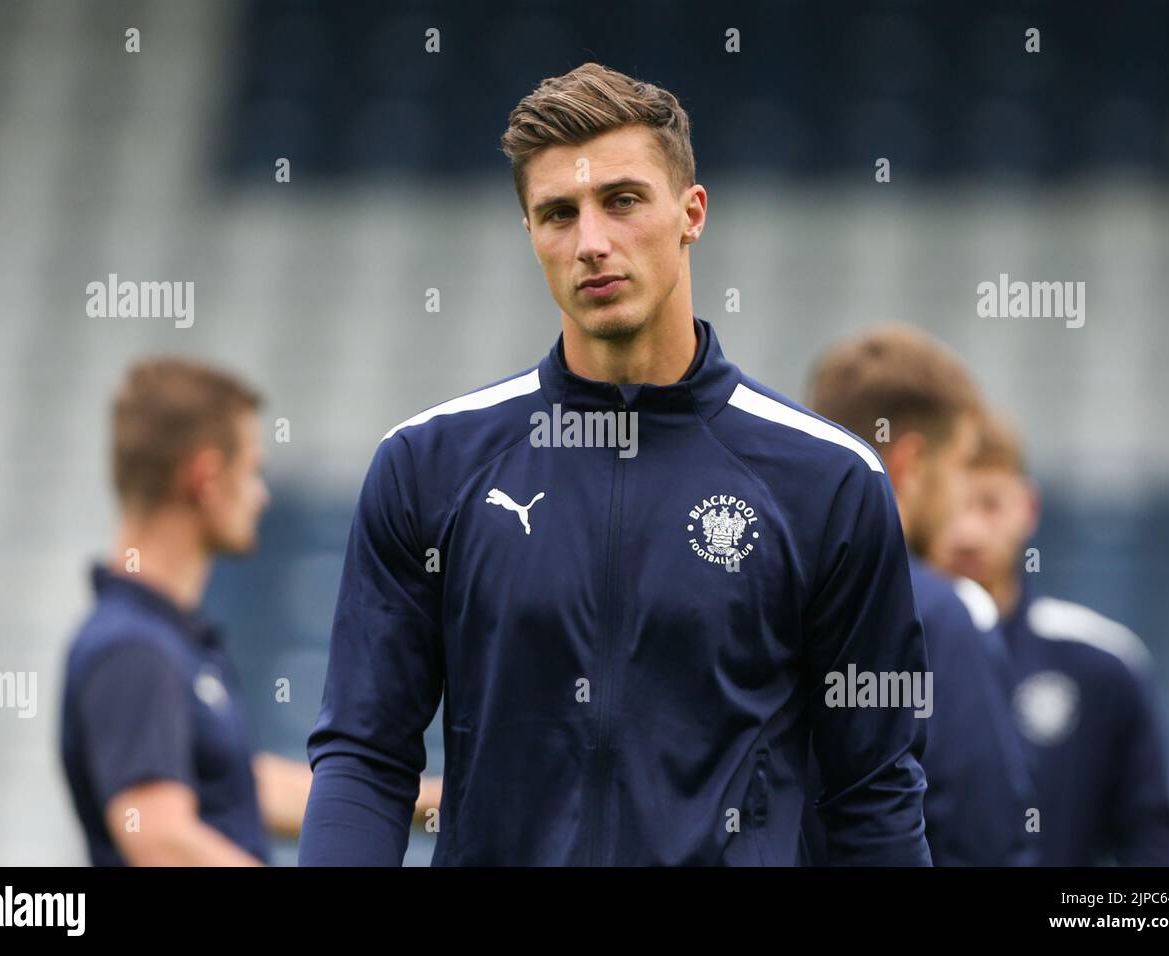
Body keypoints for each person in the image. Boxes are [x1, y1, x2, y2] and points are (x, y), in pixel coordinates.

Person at [299, 63, 932, 866]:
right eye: (558, 213)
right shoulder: (427, 465)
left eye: (623, 201)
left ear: (690, 213)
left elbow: (874, 791)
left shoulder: (828, 481)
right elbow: (364, 756)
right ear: (530, 233)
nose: (592, 243)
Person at [61, 357, 308, 865]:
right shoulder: (133, 649)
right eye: (251, 471)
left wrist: (418, 798)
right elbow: (159, 840)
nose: (260, 496)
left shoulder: (162, 638)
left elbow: (240, 783)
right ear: (207, 478)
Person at [806, 325, 1035, 865]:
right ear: (909, 465)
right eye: (959, 466)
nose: (960, 501)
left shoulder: (755, 587)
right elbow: (985, 838)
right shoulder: (942, 612)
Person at [929, 410, 1169, 865]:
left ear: (1027, 507)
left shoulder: (1102, 663)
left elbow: (1152, 845)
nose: (966, 533)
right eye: (950, 507)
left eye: (988, 504)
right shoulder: (875, 660)